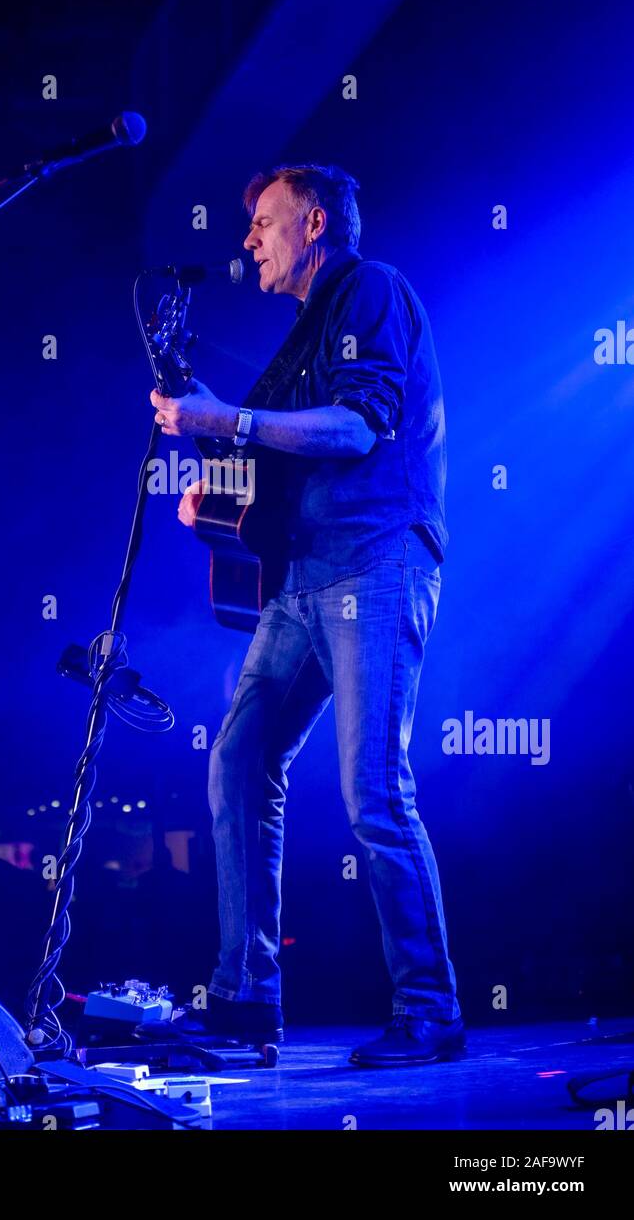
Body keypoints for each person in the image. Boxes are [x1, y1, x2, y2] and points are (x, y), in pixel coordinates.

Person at [149, 164, 463, 1066]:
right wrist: (217, 487)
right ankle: (246, 1001)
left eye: (264, 221)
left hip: (378, 561)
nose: (248, 238)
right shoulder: (300, 337)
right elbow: (285, 463)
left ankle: (432, 1012)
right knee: (241, 760)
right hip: (301, 580)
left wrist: (231, 424)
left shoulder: (370, 290)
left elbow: (358, 430)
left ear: (315, 221)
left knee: (374, 790)